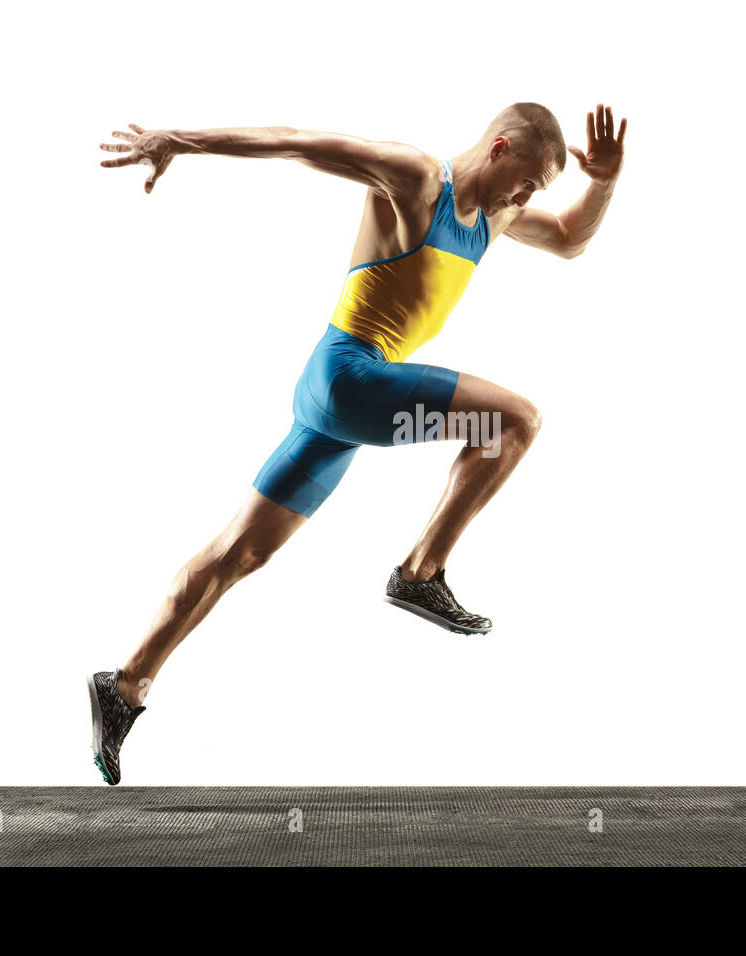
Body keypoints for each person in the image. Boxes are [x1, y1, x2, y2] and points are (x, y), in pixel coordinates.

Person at [88, 102, 626, 785]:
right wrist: (178, 141)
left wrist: (603, 181)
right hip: (350, 377)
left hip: (339, 409)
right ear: (500, 148)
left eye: (539, 192)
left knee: (240, 552)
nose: (528, 197)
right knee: (514, 422)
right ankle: (419, 574)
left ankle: (126, 683)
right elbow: (294, 140)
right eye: (529, 180)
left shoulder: (501, 217)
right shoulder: (417, 181)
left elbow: (573, 239)